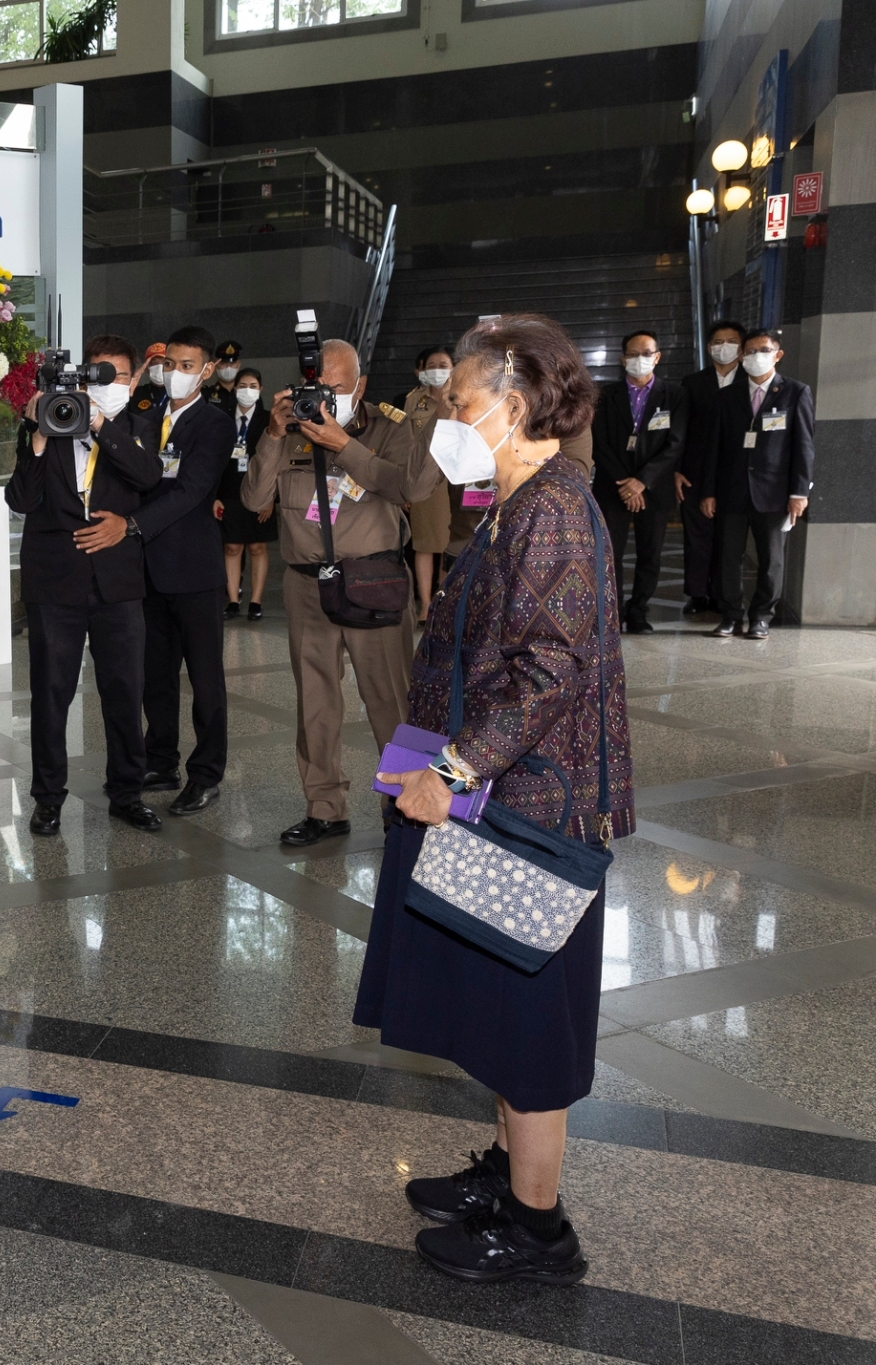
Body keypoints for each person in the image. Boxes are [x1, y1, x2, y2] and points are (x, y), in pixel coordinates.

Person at [360, 312, 630, 1287]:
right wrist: (425, 757)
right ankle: (506, 1172)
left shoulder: (551, 508)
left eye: (460, 402)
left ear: (512, 407)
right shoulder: (514, 500)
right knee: (489, 1001)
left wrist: (453, 770)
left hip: (530, 804)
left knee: (526, 1023)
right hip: (498, 792)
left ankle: (537, 1228)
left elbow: (549, 669)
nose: (448, 419)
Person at [241, 338, 441, 848]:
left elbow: (407, 488)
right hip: (307, 585)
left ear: (361, 385)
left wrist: (342, 444)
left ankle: (404, 808)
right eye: (317, 385)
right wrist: (272, 433)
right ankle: (324, 808)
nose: (325, 396)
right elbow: (254, 497)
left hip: (373, 582)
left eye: (337, 386)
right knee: (315, 704)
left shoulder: (391, 427)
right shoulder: (288, 429)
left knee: (391, 701)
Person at [8, 333, 166, 835]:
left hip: (117, 580)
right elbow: (20, 500)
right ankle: (47, 798)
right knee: (51, 694)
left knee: (125, 691)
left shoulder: (139, 425)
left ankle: (127, 794)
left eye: (116, 376)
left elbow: (147, 476)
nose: (106, 384)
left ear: (132, 381)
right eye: (97, 375)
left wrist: (99, 423)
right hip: (55, 580)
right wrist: (37, 438)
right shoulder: (49, 421)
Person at [132, 325, 231, 815]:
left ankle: (206, 774)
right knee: (156, 675)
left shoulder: (214, 424)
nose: (175, 373)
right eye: (169, 364)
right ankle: (160, 760)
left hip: (194, 570)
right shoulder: (146, 418)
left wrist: (134, 525)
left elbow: (192, 490)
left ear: (206, 371)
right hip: (149, 570)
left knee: (205, 679)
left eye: (187, 366)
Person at [699, 327, 815, 640]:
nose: (756, 356)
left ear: (778, 355)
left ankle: (762, 617)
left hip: (775, 493)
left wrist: (799, 492)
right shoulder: (727, 396)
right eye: (750, 351)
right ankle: (731, 616)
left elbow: (804, 446)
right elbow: (713, 448)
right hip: (731, 491)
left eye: (764, 350)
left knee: (771, 560)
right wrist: (708, 491)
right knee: (728, 558)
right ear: (741, 356)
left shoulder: (795, 392)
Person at [590, 329, 687, 633]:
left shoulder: (675, 395)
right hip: (613, 487)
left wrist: (642, 481)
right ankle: (613, 613)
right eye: (633, 354)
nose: (639, 359)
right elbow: (599, 443)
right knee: (610, 554)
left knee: (650, 554)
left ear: (657, 357)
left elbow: (675, 444)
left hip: (654, 488)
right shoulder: (605, 395)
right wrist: (625, 482)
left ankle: (638, 612)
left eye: (646, 354)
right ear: (622, 359)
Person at [676, 319, 746, 616]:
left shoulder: (749, 381)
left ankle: (722, 594)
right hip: (694, 470)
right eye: (718, 342)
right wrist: (677, 469)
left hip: (734, 472)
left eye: (731, 341)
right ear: (708, 347)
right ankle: (697, 593)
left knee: (728, 539)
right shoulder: (693, 383)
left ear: (742, 348)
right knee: (697, 536)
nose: (724, 347)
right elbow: (679, 430)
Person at [214, 367, 274, 620]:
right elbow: (214, 461)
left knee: (257, 547)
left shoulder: (269, 419)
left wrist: (271, 498)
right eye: (242, 386)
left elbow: (276, 462)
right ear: (235, 389)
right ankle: (232, 601)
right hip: (229, 491)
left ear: (260, 390)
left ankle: (255, 602)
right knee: (231, 547)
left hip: (260, 491)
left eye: (253, 386)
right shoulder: (222, 418)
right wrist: (214, 495)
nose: (247, 391)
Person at [404, 347, 455, 621]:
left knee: (449, 544)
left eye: (443, 364)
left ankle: (443, 602)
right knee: (424, 543)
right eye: (432, 365)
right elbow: (406, 443)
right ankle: (425, 605)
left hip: (455, 478)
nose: (438, 369)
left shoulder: (461, 395)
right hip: (424, 480)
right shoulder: (414, 400)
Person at [204, 339, 244, 405]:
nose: (228, 367)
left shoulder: (247, 394)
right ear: (216, 365)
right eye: (223, 363)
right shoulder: (206, 394)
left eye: (232, 363)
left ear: (239, 364)